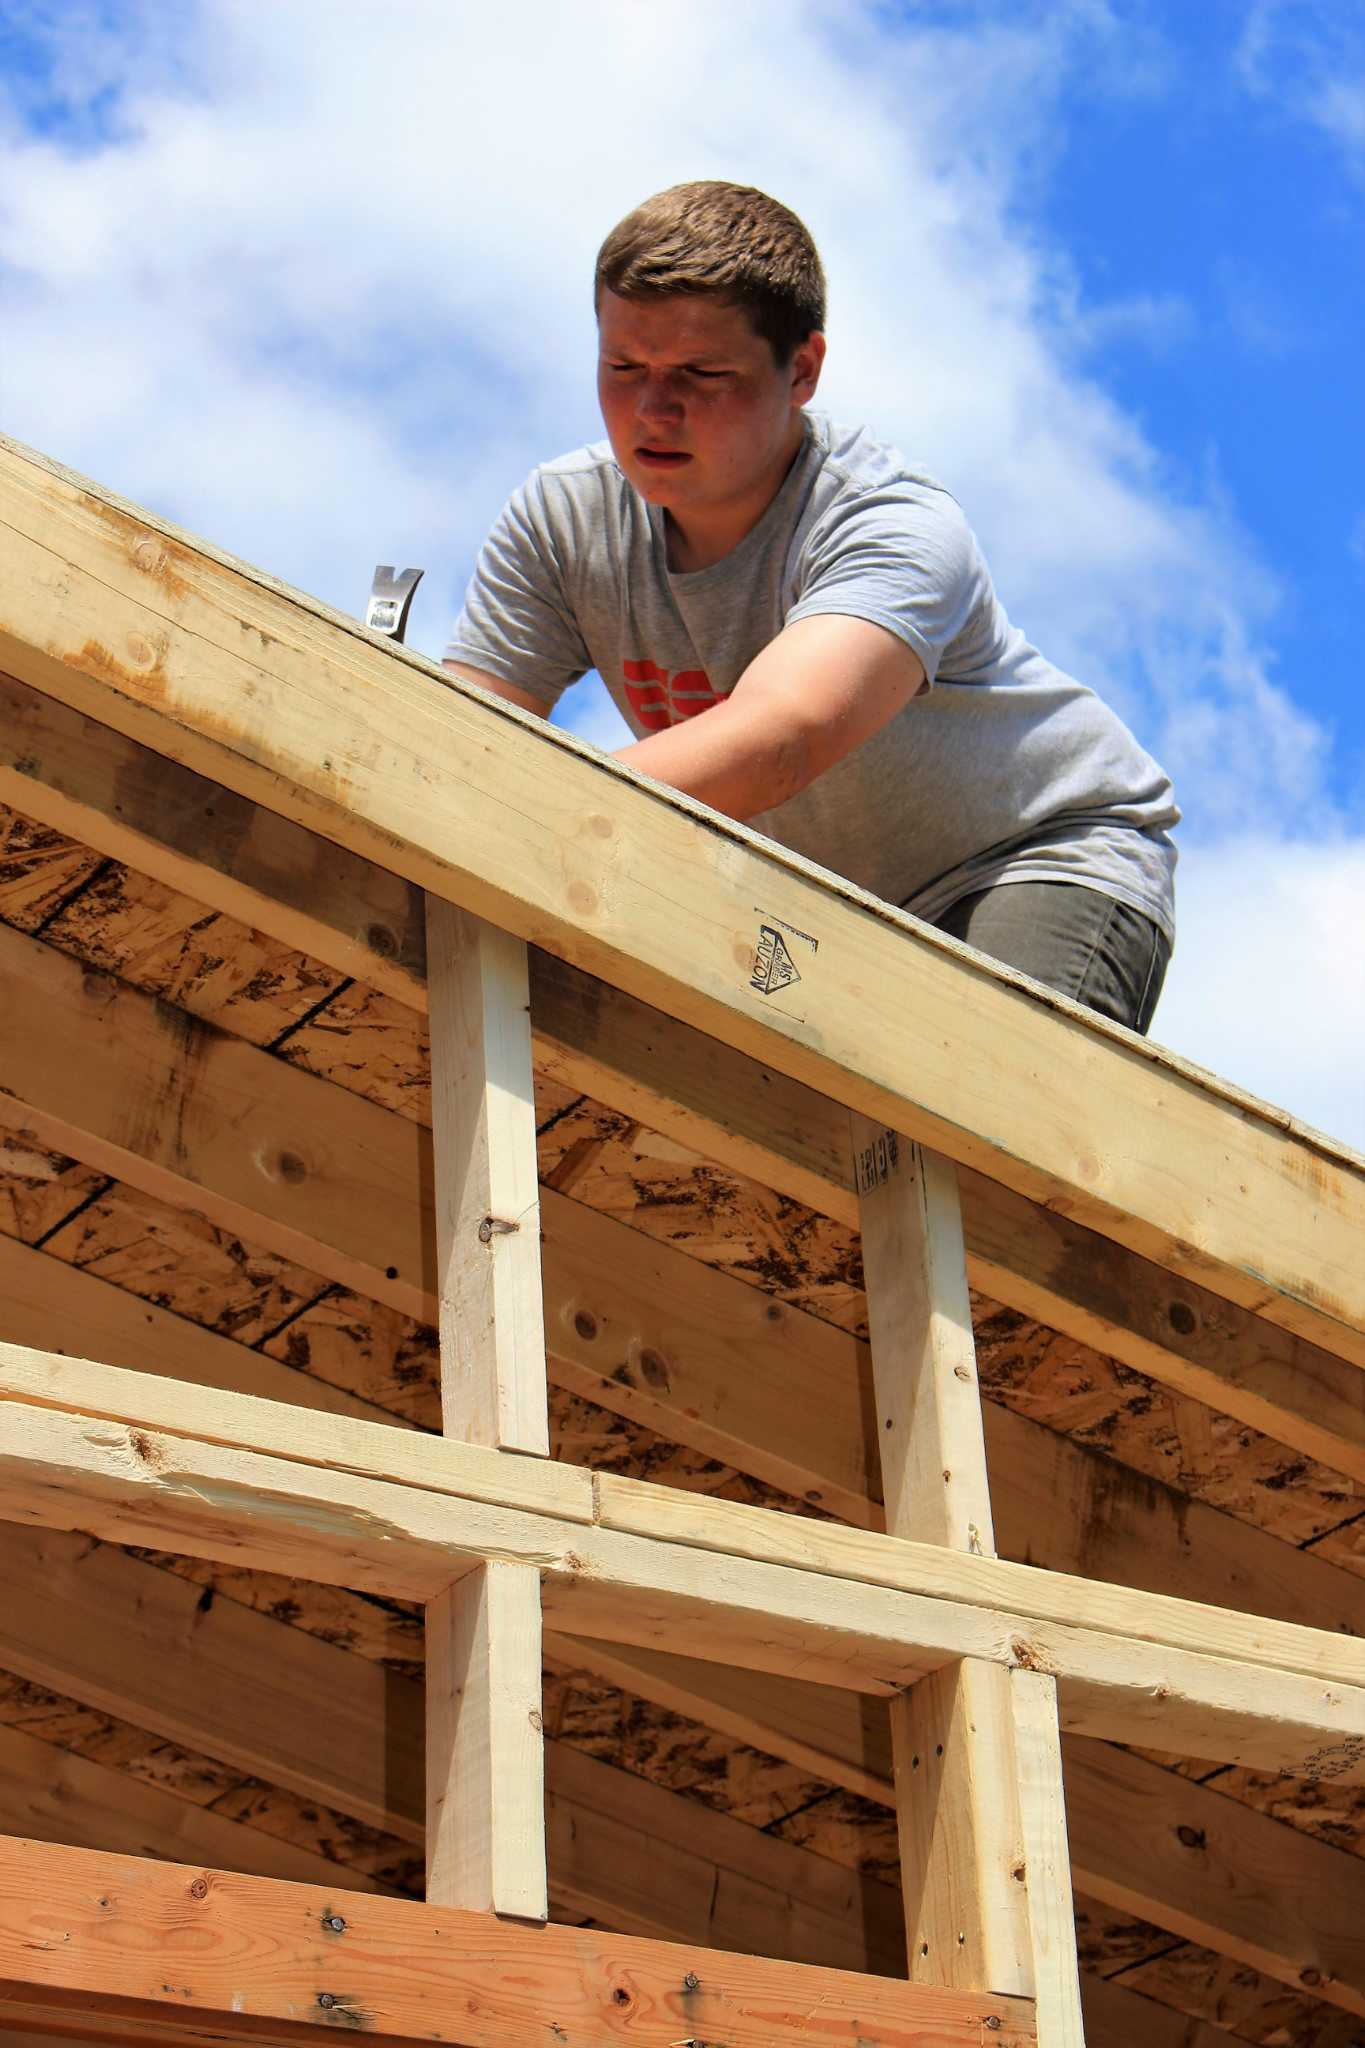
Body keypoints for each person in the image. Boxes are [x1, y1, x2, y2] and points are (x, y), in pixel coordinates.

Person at [444, 181, 1178, 1034]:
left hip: (1024, 859)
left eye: (700, 374)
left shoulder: (887, 522)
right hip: (814, 905)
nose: (652, 408)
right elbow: (469, 738)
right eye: (623, 368)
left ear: (801, 369)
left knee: (987, 1113)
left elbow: (779, 742)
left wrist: (527, 808)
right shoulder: (565, 522)